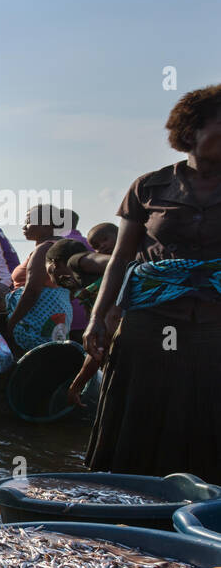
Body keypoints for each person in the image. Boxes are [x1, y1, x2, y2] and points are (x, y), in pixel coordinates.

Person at [85, 84, 221, 482]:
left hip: (213, 327)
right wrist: (97, 319)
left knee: (206, 416)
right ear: (192, 131)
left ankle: (199, 509)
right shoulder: (150, 187)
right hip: (149, 322)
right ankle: (127, 500)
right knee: (139, 412)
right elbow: (121, 260)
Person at [3, 205, 74, 354]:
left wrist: (11, 323)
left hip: (33, 318)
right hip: (57, 318)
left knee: (31, 361)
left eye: (28, 220)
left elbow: (32, 291)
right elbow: (72, 287)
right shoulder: (64, 247)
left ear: (47, 225)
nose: (24, 226)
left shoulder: (44, 249)